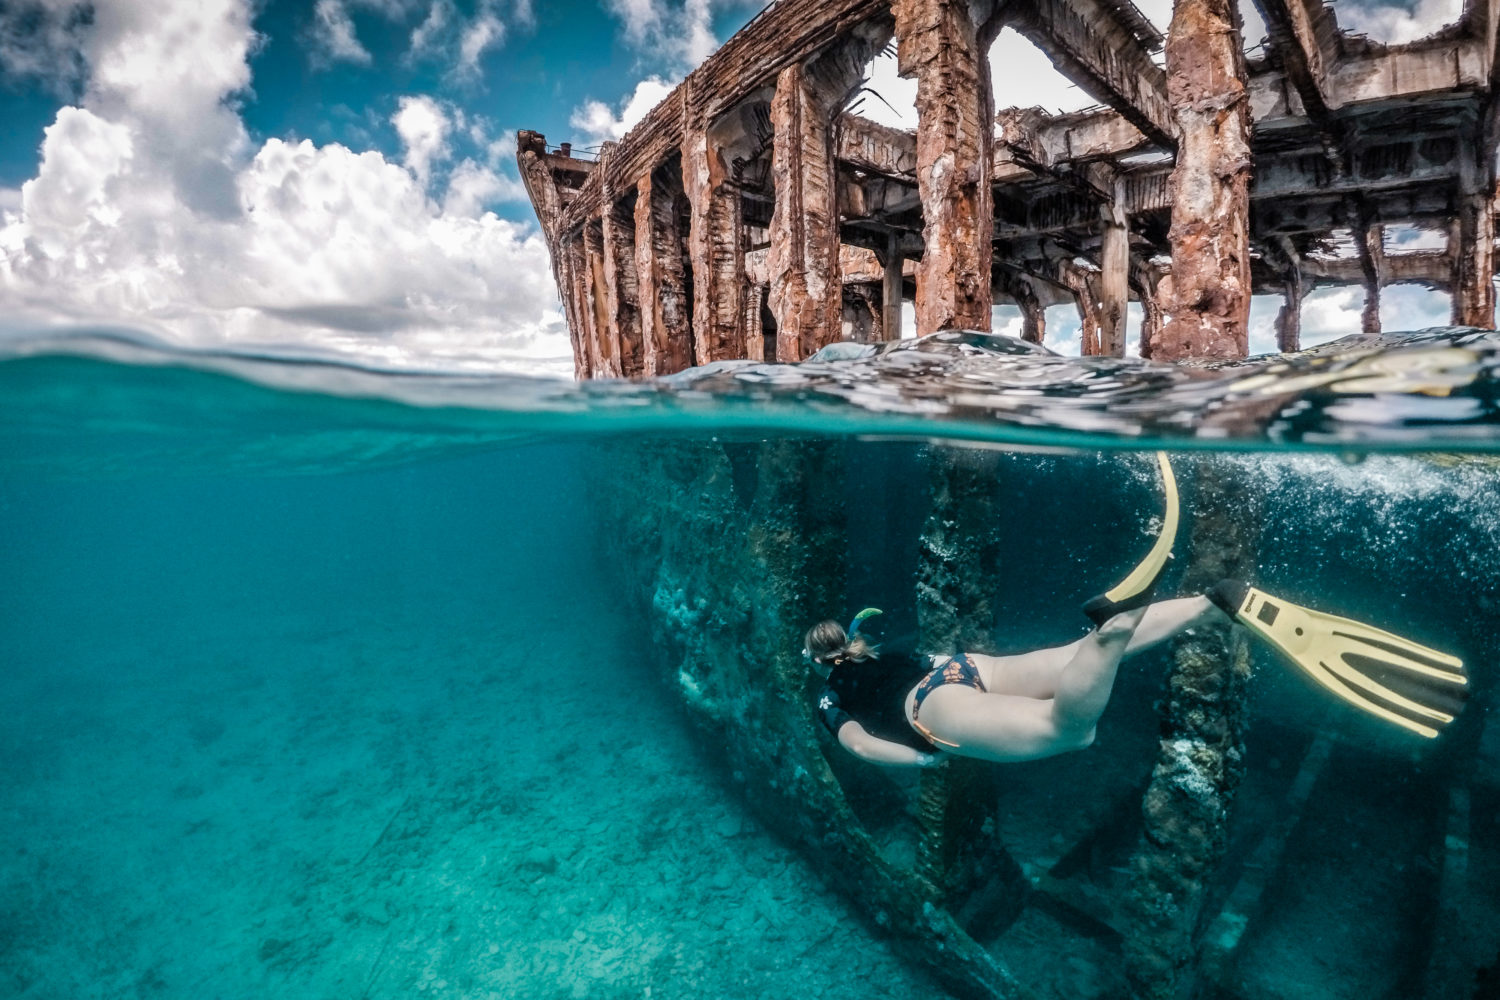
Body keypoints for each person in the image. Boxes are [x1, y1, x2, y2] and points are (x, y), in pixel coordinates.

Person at [808, 454, 1468, 768]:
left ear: (817, 662)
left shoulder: (831, 696)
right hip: (962, 666)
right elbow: (885, 643)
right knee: (1066, 657)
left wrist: (922, 762)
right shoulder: (869, 646)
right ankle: (1211, 603)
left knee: (1070, 729)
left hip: (933, 711)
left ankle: (1112, 628)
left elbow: (864, 745)